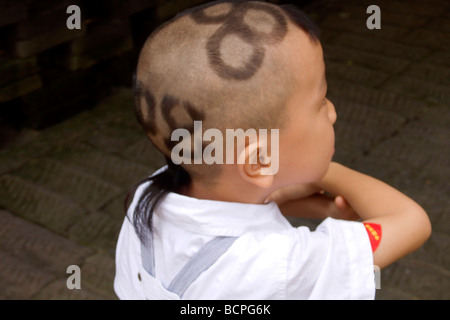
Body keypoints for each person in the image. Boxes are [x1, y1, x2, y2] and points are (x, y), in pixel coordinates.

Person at [114, 0, 431, 300]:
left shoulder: (145, 198)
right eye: (320, 102)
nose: (333, 112)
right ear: (260, 161)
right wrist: (329, 174)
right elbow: (410, 221)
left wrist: (317, 208)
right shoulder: (279, 267)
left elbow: (234, 206)